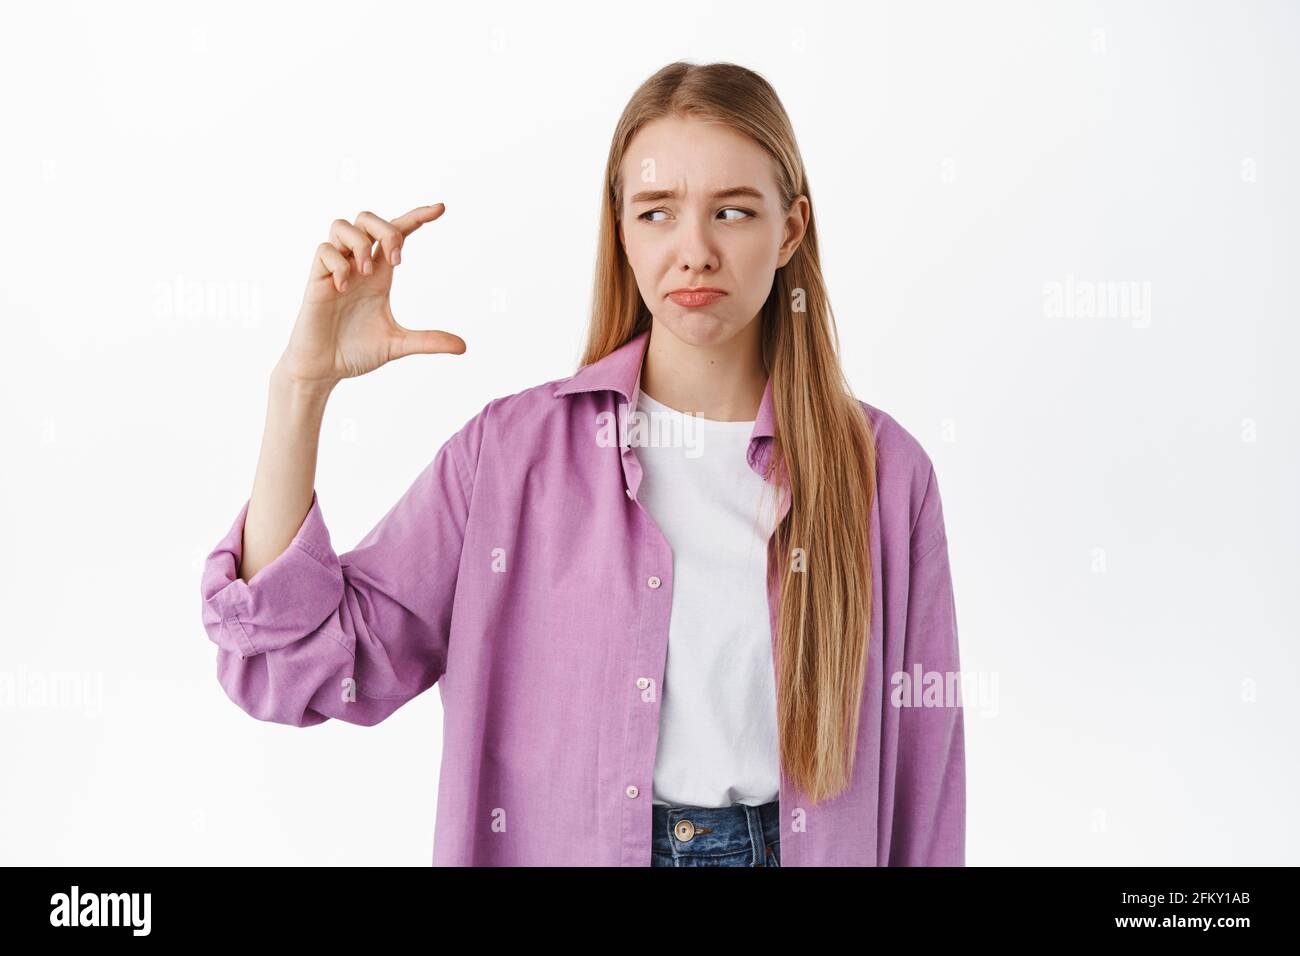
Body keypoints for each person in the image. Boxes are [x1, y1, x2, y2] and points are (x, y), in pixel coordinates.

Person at [200, 60, 965, 867]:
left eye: (733, 212)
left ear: (792, 229)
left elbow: (925, 789)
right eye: (658, 212)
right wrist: (301, 386)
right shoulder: (509, 457)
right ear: (621, 228)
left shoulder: (886, 476)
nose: (695, 251)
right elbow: (297, 668)